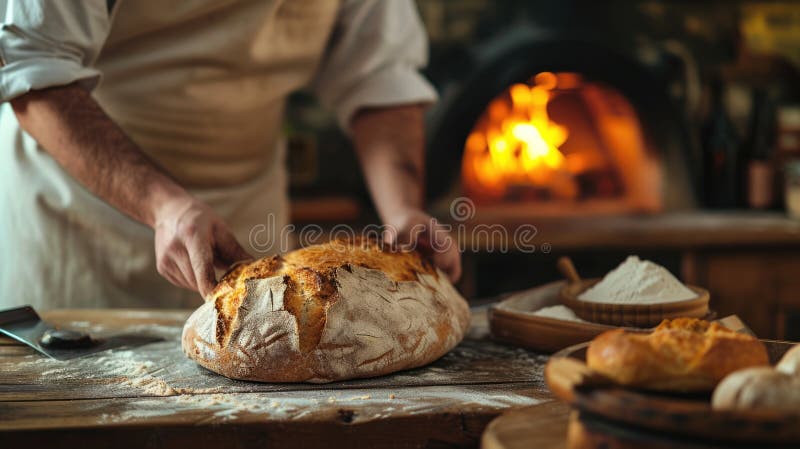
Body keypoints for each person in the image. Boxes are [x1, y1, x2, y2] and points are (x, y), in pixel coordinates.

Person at [0, 0, 461, 310]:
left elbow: (379, 75)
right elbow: (39, 73)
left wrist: (401, 208)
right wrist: (164, 206)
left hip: (248, 210)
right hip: (79, 219)